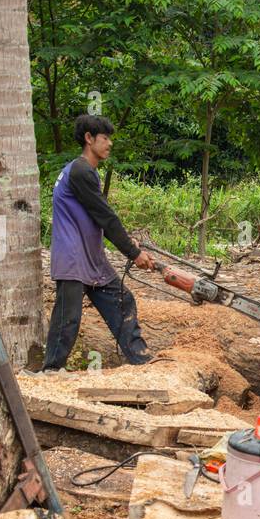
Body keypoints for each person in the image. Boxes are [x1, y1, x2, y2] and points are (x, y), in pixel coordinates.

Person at [42, 114, 156, 370]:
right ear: (89, 138)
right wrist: (132, 252)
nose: (109, 144)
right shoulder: (81, 170)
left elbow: (98, 214)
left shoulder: (86, 172)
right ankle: (50, 371)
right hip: (73, 257)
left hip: (91, 259)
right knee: (67, 319)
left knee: (122, 301)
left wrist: (129, 241)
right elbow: (106, 216)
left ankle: (143, 362)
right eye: (104, 138)